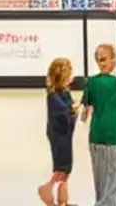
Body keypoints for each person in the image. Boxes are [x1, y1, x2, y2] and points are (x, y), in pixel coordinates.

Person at [81, 44, 116, 206]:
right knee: (112, 181)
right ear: (114, 60)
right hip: (113, 136)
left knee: (100, 181)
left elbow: (84, 110)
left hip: (95, 136)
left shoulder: (91, 83)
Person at [38, 57, 76, 206]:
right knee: (61, 168)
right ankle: (46, 190)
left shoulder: (64, 93)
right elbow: (64, 113)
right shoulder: (53, 96)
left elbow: (70, 110)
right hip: (59, 137)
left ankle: (63, 200)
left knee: (67, 169)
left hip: (65, 136)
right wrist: (74, 111)